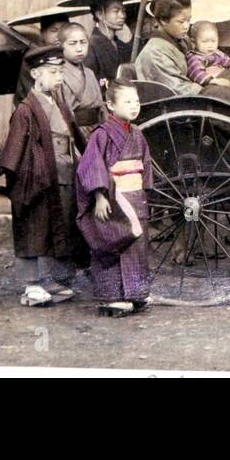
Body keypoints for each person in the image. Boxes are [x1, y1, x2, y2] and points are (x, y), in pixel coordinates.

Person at [0, 43, 86, 307]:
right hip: (38, 176)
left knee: (63, 225)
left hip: (64, 171)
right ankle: (32, 285)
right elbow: (14, 151)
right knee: (35, 226)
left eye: (61, 72)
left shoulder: (59, 101)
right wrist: (21, 182)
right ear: (36, 75)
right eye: (53, 72)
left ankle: (55, 280)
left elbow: (75, 136)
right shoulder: (25, 110)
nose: (59, 77)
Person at [76, 79, 153, 317]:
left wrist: (145, 191)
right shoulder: (101, 135)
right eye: (128, 101)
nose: (134, 106)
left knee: (137, 245)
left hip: (135, 196)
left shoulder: (138, 135)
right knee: (112, 241)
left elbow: (146, 167)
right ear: (110, 104)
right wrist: (99, 196)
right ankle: (111, 297)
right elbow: (91, 166)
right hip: (112, 196)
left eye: (137, 101)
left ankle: (136, 293)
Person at [134, 0, 204, 95]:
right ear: (163, 20)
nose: (186, 26)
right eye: (181, 22)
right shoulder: (154, 52)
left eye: (188, 20)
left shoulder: (183, 40)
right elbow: (179, 90)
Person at [56, 23, 106, 147]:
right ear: (61, 46)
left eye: (83, 42)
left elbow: (101, 109)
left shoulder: (89, 73)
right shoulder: (58, 75)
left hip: (97, 130)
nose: (79, 48)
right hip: (74, 134)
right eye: (72, 43)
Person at [85, 0, 135, 84]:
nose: (122, 15)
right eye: (116, 11)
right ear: (100, 14)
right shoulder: (91, 46)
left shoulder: (119, 44)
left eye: (123, 11)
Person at [186, 21, 230, 88]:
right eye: (205, 42)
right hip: (210, 84)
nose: (210, 45)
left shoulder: (217, 54)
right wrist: (214, 81)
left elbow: (229, 62)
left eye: (213, 41)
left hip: (225, 79)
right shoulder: (195, 58)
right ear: (194, 42)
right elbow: (197, 73)